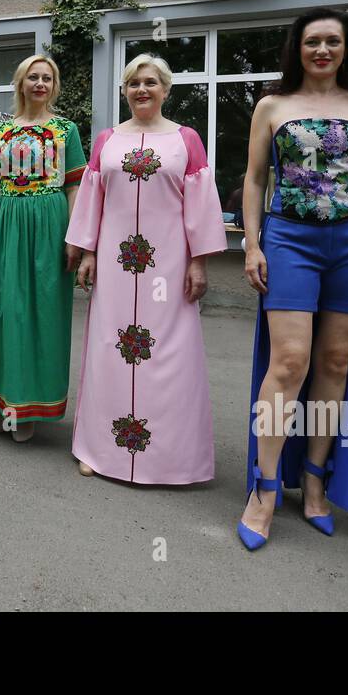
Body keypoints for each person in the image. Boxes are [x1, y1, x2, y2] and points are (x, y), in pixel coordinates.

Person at [237, 8, 348, 551]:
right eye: (313, 42)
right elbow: (255, 178)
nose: (323, 50)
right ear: (298, 49)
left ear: (346, 49)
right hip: (289, 240)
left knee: (335, 364)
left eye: (333, 41)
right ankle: (262, 490)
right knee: (289, 364)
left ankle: (313, 479)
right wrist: (253, 242)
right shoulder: (272, 106)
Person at [65, 54, 227, 483]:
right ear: (124, 90)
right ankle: (100, 451)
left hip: (168, 270)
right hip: (116, 272)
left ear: (166, 89)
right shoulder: (107, 140)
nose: (142, 89)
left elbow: (201, 204)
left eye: (151, 82)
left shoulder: (185, 139)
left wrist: (198, 263)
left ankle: (171, 459)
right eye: (134, 82)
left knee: (172, 357)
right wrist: (89, 253)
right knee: (108, 353)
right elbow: (92, 201)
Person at [0, 54, 85, 441]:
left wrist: (75, 237)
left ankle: (28, 408)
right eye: (33, 77)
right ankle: (1, 401)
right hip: (8, 220)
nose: (40, 83)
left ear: (54, 86)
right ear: (21, 83)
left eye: (47, 78)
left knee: (42, 313)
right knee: (5, 310)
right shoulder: (2, 131)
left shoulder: (65, 128)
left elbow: (74, 186)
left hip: (49, 222)